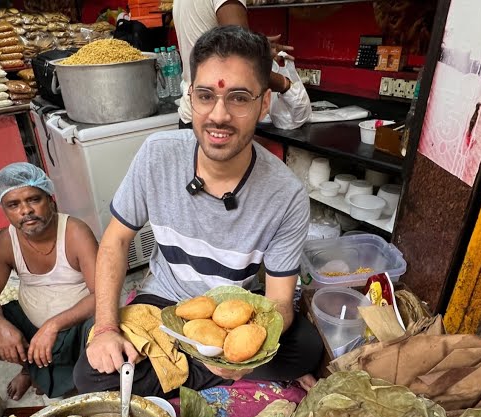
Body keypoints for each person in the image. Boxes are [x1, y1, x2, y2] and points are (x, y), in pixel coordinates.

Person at [76, 25, 323, 396]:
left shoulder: (286, 195)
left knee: (305, 349)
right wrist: (108, 328)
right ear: (191, 97)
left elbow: (278, 302)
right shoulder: (157, 154)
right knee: (91, 371)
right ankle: (192, 365)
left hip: (233, 310)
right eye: (206, 96)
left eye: (239, 98)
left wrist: (239, 357)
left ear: (264, 103)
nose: (218, 115)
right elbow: (115, 240)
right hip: (164, 302)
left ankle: (179, 369)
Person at [0, 163, 98, 401]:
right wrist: (0, 327)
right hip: (31, 327)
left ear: (50, 200)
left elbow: (101, 295)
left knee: (101, 338)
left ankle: (42, 374)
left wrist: (53, 325)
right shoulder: (7, 242)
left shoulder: (75, 233)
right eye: (13, 205)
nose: (25, 210)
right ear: (4, 210)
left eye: (34, 199)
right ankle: (31, 369)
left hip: (76, 327)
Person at [173, 0, 300, 128]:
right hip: (218, 119)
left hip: (194, 113)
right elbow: (244, 66)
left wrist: (257, 46)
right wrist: (287, 85)